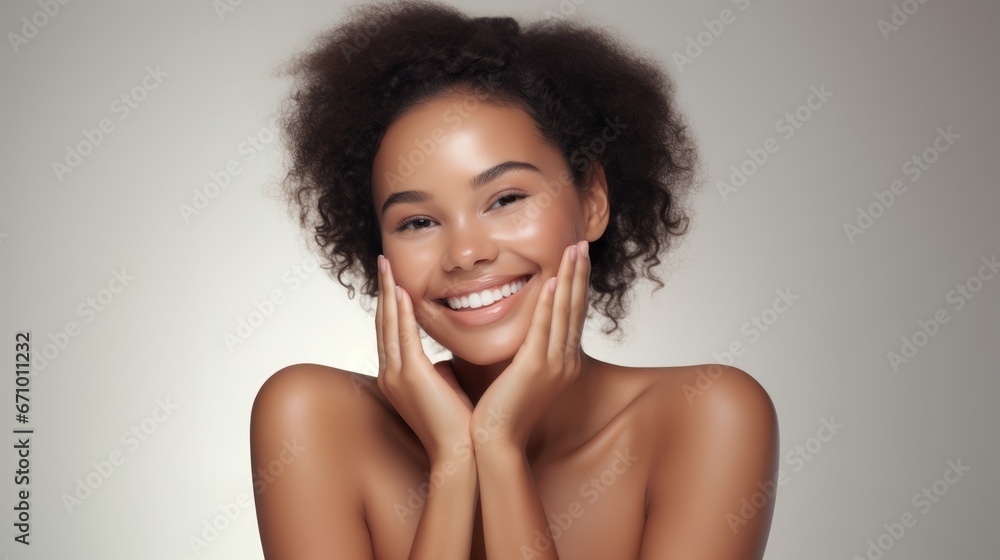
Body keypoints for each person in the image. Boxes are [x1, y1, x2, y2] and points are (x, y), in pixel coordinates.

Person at [250, 1, 779, 558]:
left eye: (505, 199)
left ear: (593, 198)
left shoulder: (708, 417)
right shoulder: (313, 419)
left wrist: (499, 449)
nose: (466, 253)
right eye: (419, 221)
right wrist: (455, 461)